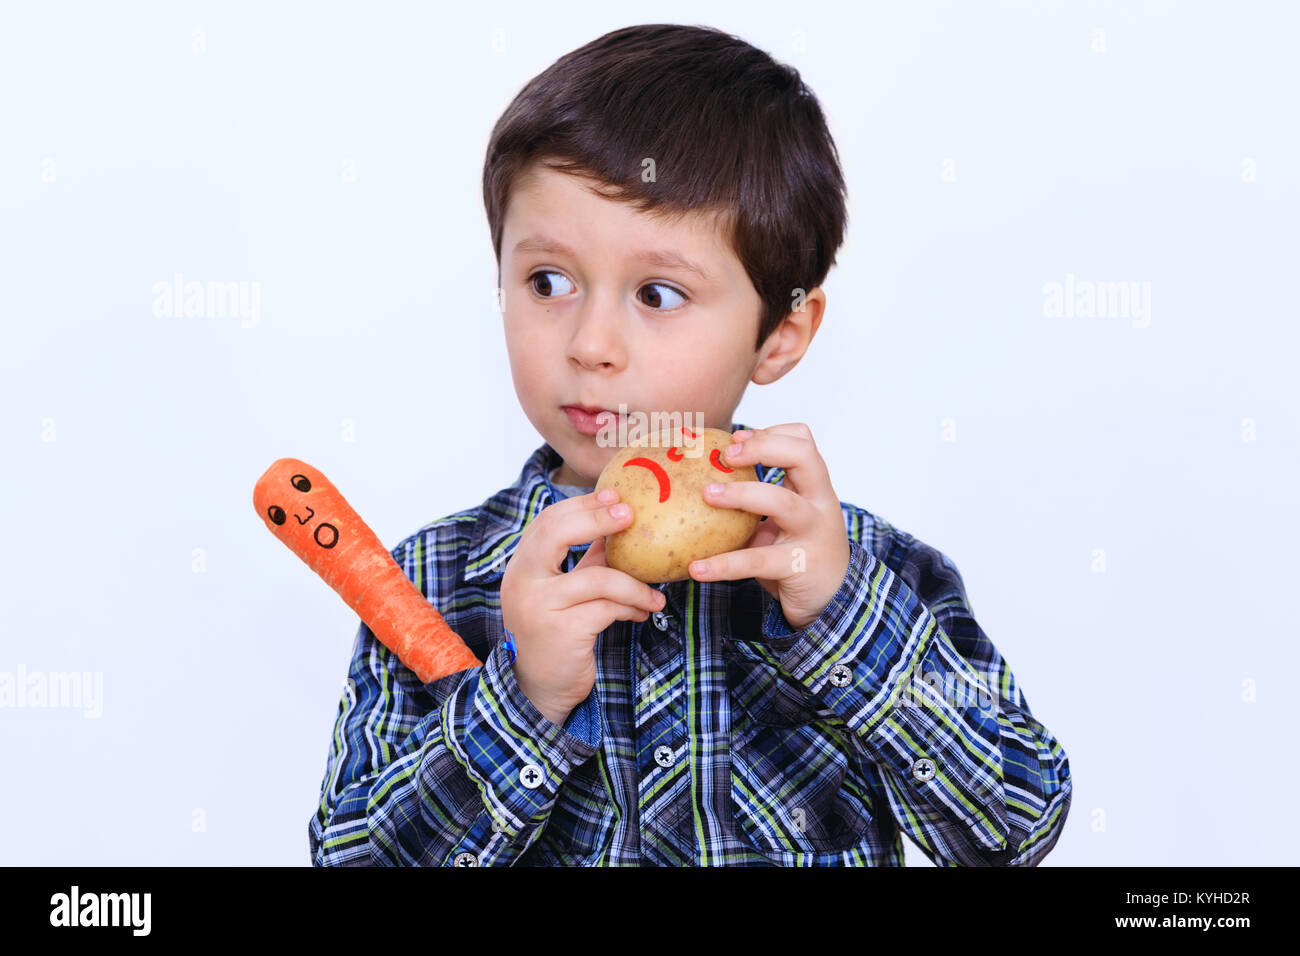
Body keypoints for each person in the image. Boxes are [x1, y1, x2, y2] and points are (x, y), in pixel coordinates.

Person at [308, 23, 1071, 866]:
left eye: (659, 293)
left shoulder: (868, 574)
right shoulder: (428, 584)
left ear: (780, 332)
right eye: (547, 282)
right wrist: (519, 702)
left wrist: (846, 622)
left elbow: (1015, 827)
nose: (591, 343)